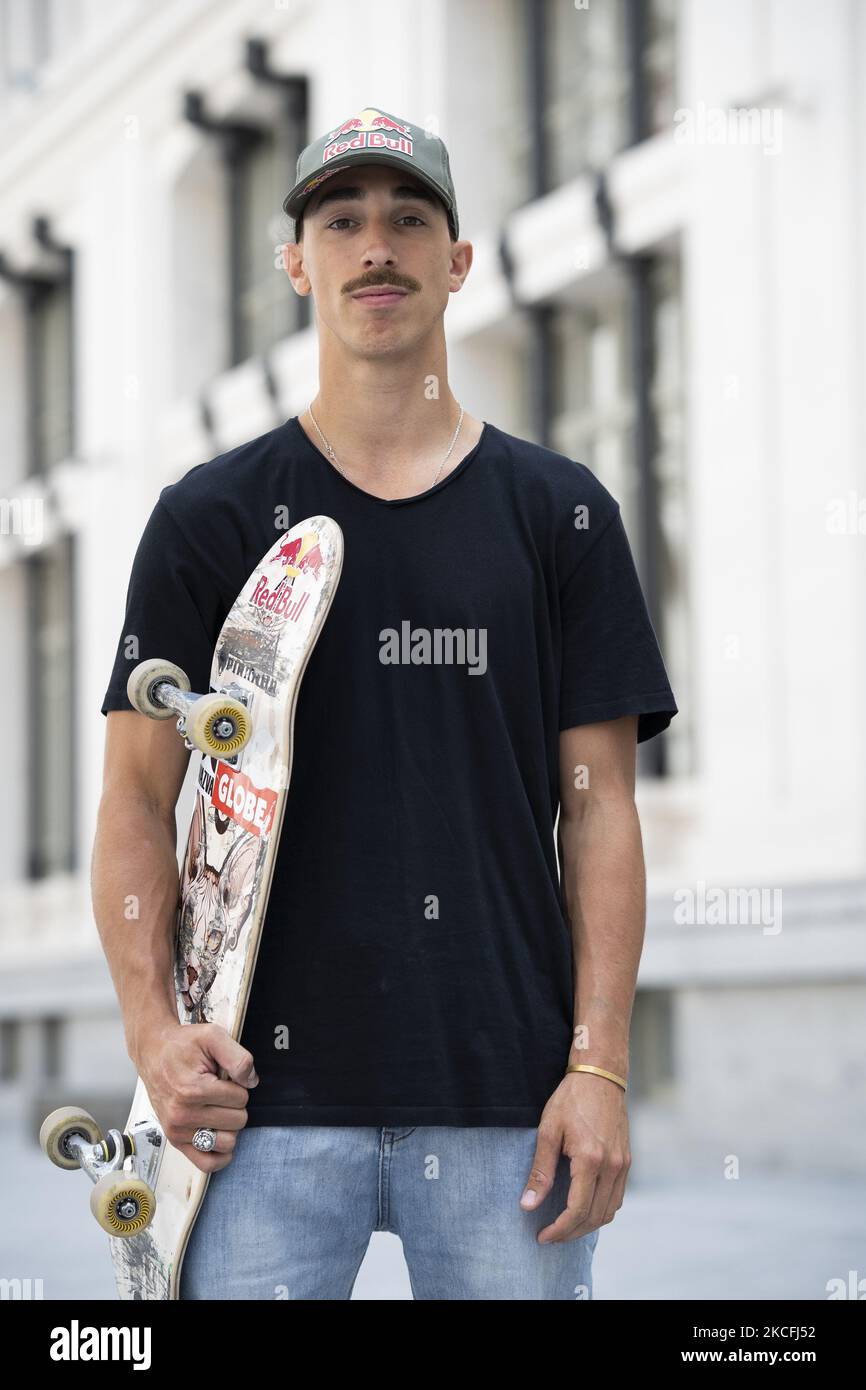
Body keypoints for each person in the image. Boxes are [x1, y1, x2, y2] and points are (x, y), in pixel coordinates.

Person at [96, 105, 678, 1300]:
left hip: (503, 1107)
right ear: (296, 261)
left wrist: (599, 1067)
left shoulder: (558, 514)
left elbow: (602, 809)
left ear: (456, 263)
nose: (377, 246)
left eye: (410, 219)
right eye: (342, 220)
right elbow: (133, 800)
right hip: (249, 1113)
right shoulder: (208, 518)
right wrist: (152, 1032)